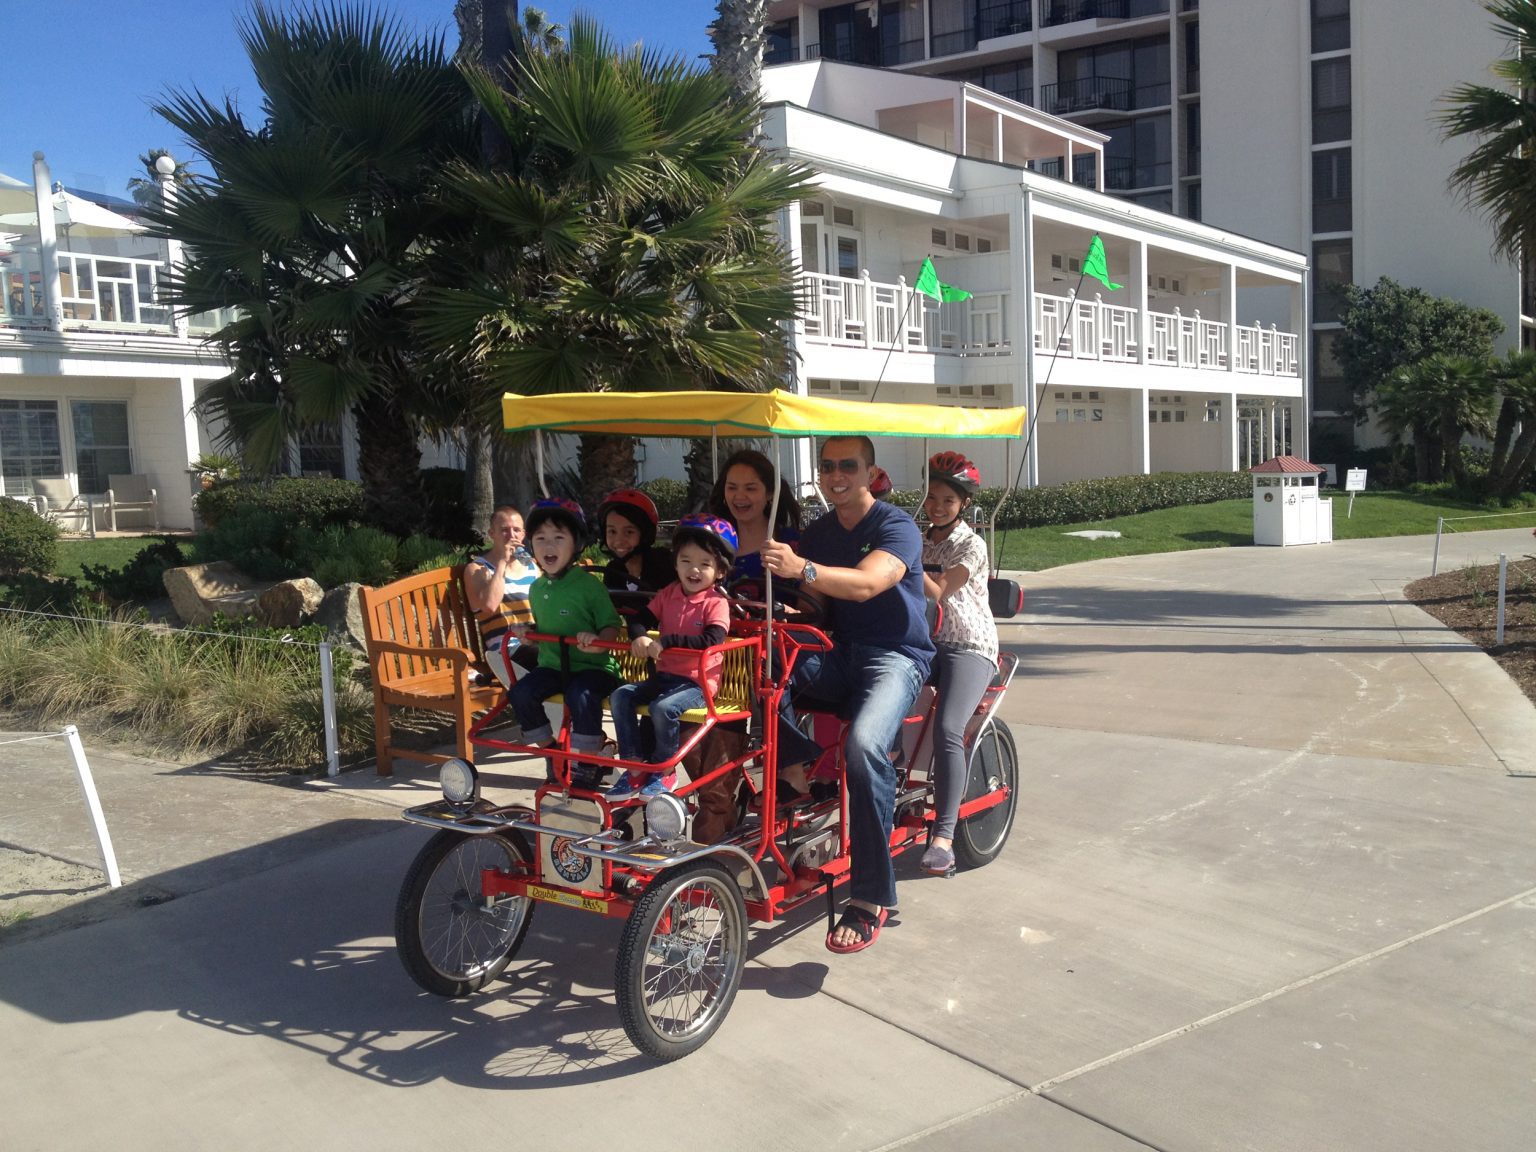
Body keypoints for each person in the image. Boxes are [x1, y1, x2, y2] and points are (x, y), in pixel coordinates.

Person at [761, 435, 934, 955]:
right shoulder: (818, 532)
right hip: (837, 654)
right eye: (827, 466)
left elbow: (865, 584)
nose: (836, 475)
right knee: (759, 664)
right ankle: (793, 772)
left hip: (895, 656)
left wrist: (802, 568)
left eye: (847, 466)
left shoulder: (895, 526)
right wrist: (781, 607)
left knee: (863, 747)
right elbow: (812, 604)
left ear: (870, 472)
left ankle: (870, 895)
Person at [607, 514, 737, 800]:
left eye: (705, 564)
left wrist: (666, 643)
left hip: (697, 684)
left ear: (719, 572)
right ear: (675, 563)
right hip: (665, 677)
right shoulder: (668, 594)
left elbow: (712, 640)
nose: (694, 569)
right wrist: (639, 636)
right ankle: (634, 766)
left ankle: (664, 770)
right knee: (621, 696)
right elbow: (640, 618)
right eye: (686, 560)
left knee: (663, 708)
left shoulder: (716, 602)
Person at [916, 451, 1000, 877]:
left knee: (949, 728)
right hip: (925, 643)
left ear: (964, 503)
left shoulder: (972, 544)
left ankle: (944, 839)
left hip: (969, 645)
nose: (937, 506)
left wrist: (899, 562)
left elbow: (939, 591)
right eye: (931, 497)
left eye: (947, 500)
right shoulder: (917, 536)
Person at [507, 497, 623, 789]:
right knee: (521, 693)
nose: (549, 546)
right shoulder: (537, 588)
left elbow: (611, 626)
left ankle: (589, 762)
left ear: (576, 544)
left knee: (580, 695)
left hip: (593, 668)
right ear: (531, 544)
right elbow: (548, 625)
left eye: (559, 538)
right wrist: (529, 631)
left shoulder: (589, 587)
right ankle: (552, 751)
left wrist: (599, 643)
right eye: (541, 539)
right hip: (553, 666)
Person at [464, 505, 538, 689]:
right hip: (505, 652)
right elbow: (489, 605)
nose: (511, 536)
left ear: (524, 534)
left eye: (517, 530)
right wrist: (502, 563)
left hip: (536, 642)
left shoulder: (533, 567)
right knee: (551, 660)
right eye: (504, 530)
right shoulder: (477, 569)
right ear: (492, 533)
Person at [709, 449, 801, 595]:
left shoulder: (793, 543)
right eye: (732, 487)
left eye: (750, 488)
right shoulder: (712, 545)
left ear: (770, 493)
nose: (739, 496)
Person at [597, 488, 674, 593]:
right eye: (612, 531)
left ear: (646, 534)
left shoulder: (665, 565)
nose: (619, 541)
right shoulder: (613, 571)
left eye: (629, 532)